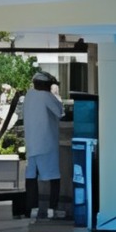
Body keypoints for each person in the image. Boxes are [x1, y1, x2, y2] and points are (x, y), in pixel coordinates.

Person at [19, 73, 69, 220]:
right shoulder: (47, 97)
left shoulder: (29, 95)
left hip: (31, 143)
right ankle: (52, 209)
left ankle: (32, 208)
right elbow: (60, 112)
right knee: (54, 176)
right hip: (46, 143)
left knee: (31, 177)